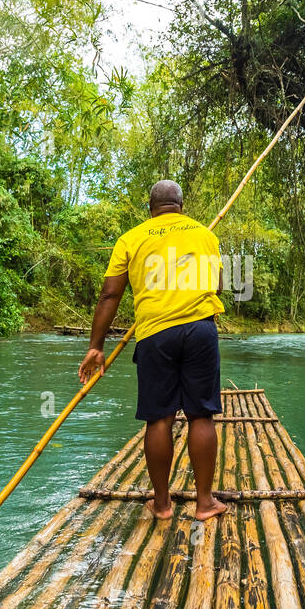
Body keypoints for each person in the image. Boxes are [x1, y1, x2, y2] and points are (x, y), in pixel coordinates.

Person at [78, 180, 229, 521]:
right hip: (200, 330)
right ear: (181, 204)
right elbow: (218, 284)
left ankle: (161, 506)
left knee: (158, 417)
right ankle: (205, 503)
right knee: (201, 414)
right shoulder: (205, 235)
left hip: (155, 335)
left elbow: (110, 296)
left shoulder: (131, 238)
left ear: (151, 208)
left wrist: (95, 347)